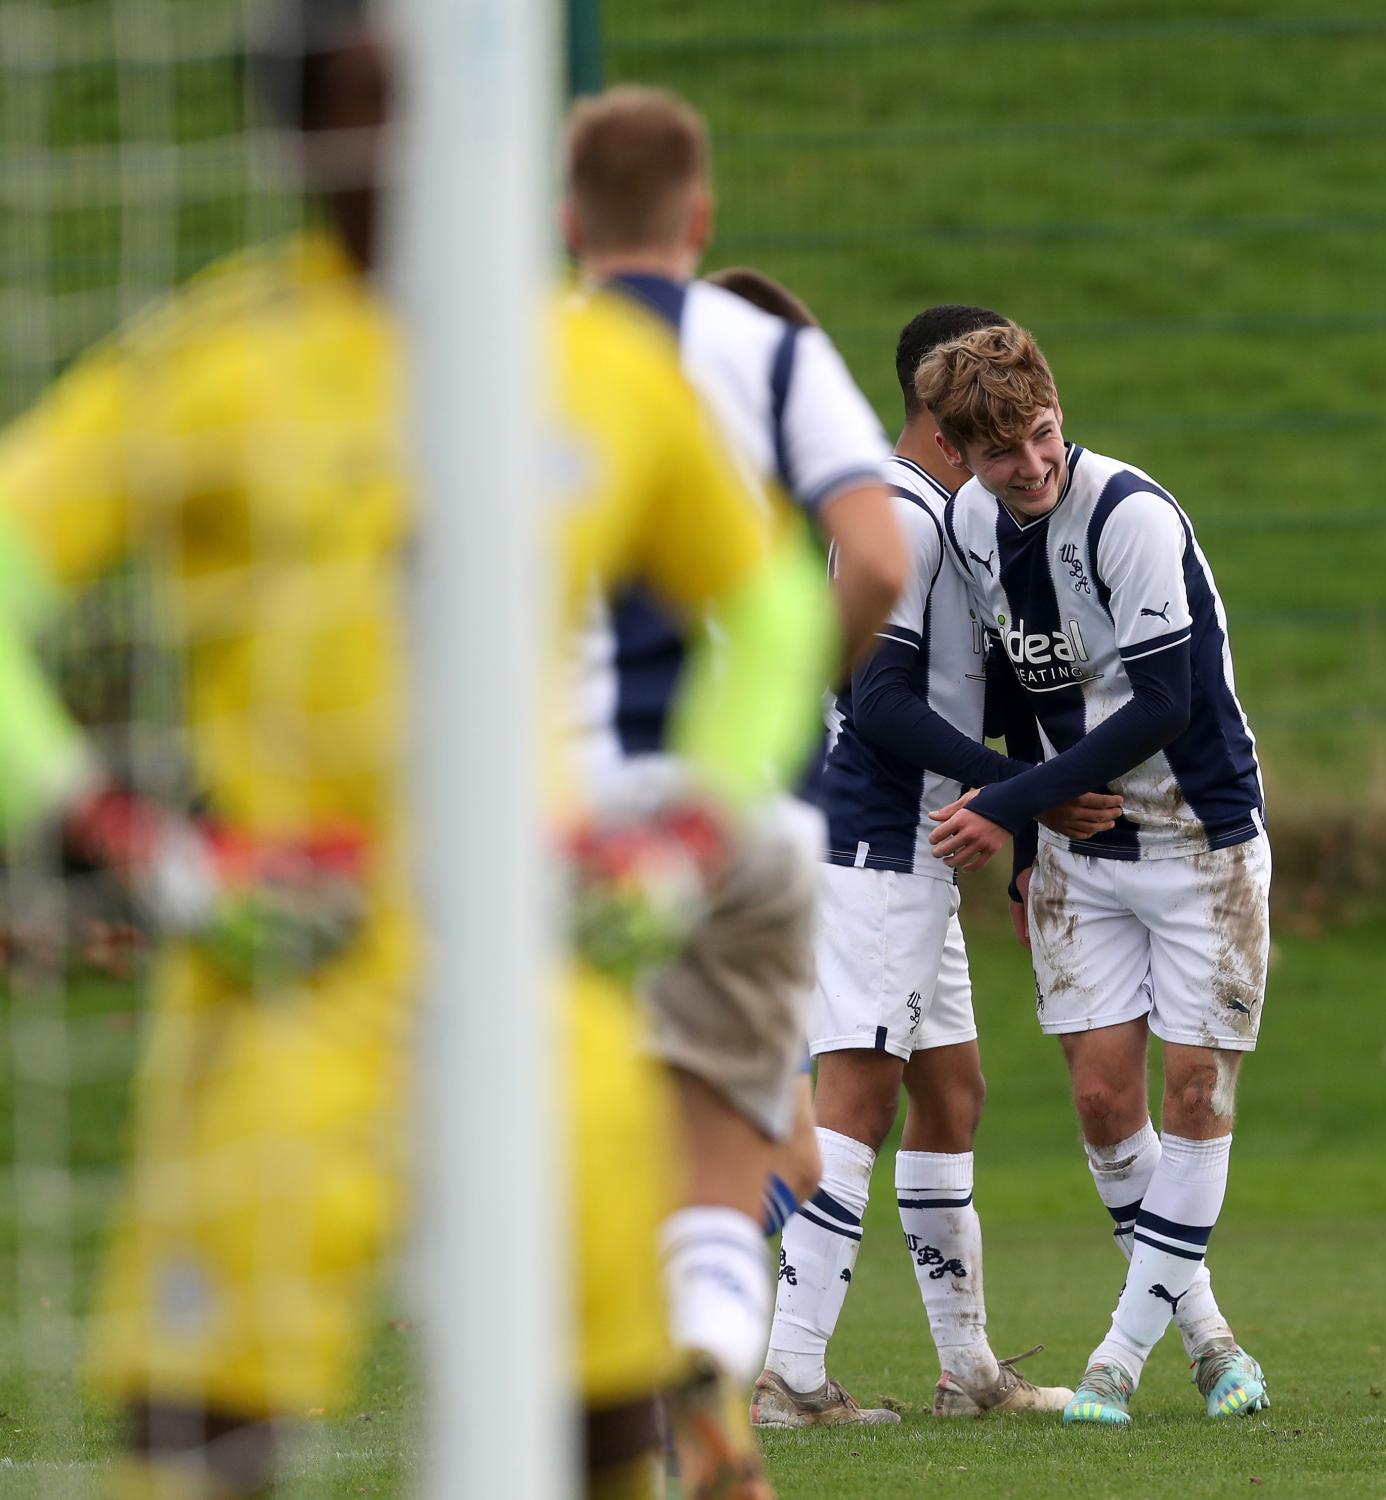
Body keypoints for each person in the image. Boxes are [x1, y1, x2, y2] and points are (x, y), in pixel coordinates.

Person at [0, 8, 831, 1498]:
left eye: (424, 99)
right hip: (288, 968)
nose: (399, 141)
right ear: (296, 134)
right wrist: (133, 843)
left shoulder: (591, 372)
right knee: (200, 1437)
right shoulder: (211, 363)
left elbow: (771, 605)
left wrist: (689, 833)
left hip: (532, 970)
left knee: (601, 1420)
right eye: (354, 103)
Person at [562, 84, 903, 1414]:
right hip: (751, 810)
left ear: (563, 222)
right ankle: (708, 1388)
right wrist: (788, 687)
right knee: (757, 1146)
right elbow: (878, 553)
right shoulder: (768, 354)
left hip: (572, 799)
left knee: (724, 1144)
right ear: (701, 216)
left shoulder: (519, 354)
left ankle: (667, 1375)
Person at [755, 305, 1113, 1427]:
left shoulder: (931, 510)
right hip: (866, 838)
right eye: (986, 418)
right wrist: (1020, 788)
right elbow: (873, 699)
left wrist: (1009, 814)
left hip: (907, 847)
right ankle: (788, 1375)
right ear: (943, 418)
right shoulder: (901, 519)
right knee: (853, 1094)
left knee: (950, 1094)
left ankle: (968, 1372)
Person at [920, 323, 1269, 1428]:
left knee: (1194, 1094)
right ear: (959, 458)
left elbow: (1165, 704)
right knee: (1100, 1097)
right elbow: (1019, 696)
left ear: (1055, 409)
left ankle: (1117, 1357)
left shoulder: (1130, 517)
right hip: (1080, 854)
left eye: (1040, 434)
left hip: (1200, 841)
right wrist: (1030, 843)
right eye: (1000, 454)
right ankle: (1209, 1340)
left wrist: (1001, 805)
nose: (1031, 465)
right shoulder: (970, 528)